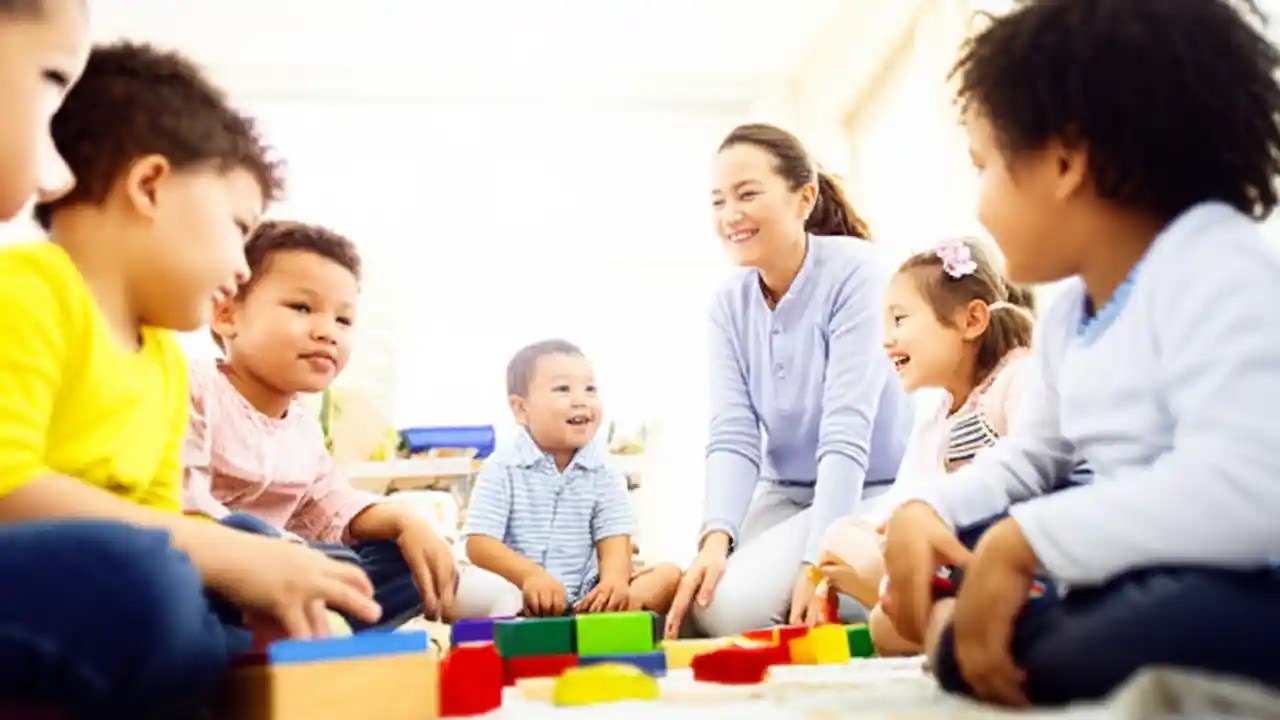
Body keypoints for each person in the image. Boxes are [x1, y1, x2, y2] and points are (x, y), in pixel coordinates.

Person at [881, 0, 1280, 707]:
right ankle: (990, 632)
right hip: (1145, 576)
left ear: (1065, 162)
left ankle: (985, 638)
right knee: (991, 567)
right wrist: (927, 508)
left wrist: (1021, 543)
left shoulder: (1213, 261)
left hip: (1250, 578)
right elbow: (1031, 458)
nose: (978, 205)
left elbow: (1248, 490)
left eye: (984, 166)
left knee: (1152, 621)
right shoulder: (1069, 316)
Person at [0, 38, 379, 717]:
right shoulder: (27, 292)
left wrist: (244, 562)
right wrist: (212, 554)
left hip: (120, 583)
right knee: (150, 573)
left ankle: (237, 660)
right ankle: (217, 662)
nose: (241, 263)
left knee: (253, 543)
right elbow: (8, 488)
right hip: (65, 575)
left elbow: (160, 517)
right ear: (149, 185)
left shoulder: (166, 363)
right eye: (239, 228)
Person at [665, 123, 913, 638]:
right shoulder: (728, 303)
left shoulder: (858, 273)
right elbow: (733, 434)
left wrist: (816, 563)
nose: (730, 214)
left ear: (804, 198)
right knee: (699, 601)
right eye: (718, 200)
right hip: (786, 492)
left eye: (747, 194)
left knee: (732, 613)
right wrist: (716, 538)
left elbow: (848, 428)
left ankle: (886, 591)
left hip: (875, 486)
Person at [183, 219, 458, 629]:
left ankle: (323, 624)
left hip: (294, 572)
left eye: (343, 321)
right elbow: (184, 503)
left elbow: (332, 504)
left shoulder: (303, 428)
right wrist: (289, 552)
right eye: (302, 308)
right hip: (211, 572)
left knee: (404, 559)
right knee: (251, 532)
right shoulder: (195, 388)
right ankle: (311, 621)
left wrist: (406, 522)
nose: (327, 332)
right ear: (226, 315)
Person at [817, 238, 1035, 656]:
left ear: (972, 321)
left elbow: (1032, 476)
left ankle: (950, 620)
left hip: (1000, 561)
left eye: (900, 320)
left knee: (883, 599)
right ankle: (930, 615)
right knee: (845, 540)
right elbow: (904, 497)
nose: (887, 340)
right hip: (945, 559)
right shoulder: (935, 410)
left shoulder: (1018, 379)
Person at [456, 339, 681, 618]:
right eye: (563, 389)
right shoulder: (503, 466)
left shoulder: (605, 470)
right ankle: (528, 625)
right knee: (475, 591)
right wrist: (530, 576)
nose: (581, 401)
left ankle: (606, 619)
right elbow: (479, 543)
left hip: (586, 594)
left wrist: (614, 582)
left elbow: (614, 537)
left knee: (667, 575)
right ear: (521, 409)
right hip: (519, 589)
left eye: (590, 389)